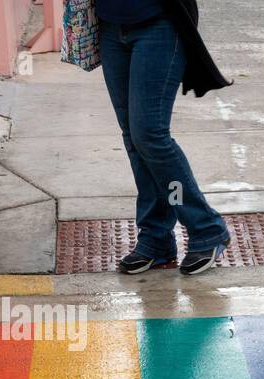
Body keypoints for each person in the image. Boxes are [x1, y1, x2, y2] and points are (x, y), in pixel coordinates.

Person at [96, 0, 232, 275]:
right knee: (135, 139)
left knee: (150, 135)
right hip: (110, 25)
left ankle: (206, 228)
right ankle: (156, 238)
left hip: (159, 23)